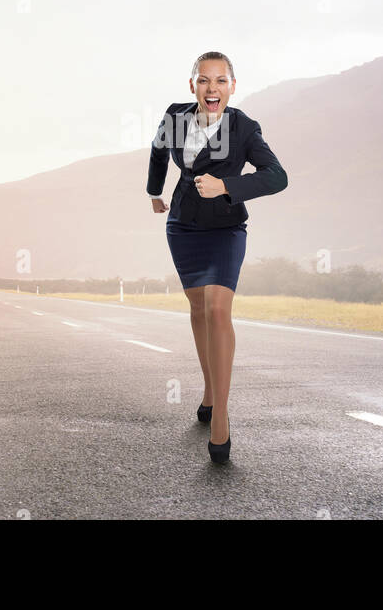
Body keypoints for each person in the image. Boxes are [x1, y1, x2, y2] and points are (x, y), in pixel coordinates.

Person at [146, 51, 288, 464]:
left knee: (218, 308)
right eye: (204, 80)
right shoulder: (174, 117)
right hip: (183, 225)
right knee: (198, 309)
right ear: (192, 85)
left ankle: (221, 414)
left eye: (221, 81)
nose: (213, 88)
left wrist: (227, 185)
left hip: (226, 228)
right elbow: (157, 152)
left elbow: (277, 176)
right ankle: (209, 390)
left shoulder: (243, 127)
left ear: (232, 86)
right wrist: (155, 192)